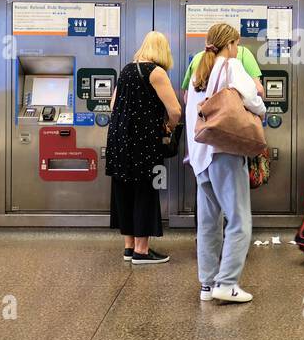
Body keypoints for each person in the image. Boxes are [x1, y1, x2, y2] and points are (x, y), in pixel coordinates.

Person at [185, 22, 266, 304]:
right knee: (239, 219)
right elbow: (256, 101)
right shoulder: (232, 67)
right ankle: (227, 283)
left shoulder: (199, 71)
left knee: (208, 222)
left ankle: (207, 285)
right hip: (225, 152)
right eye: (237, 44)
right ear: (231, 44)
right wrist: (258, 108)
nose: (238, 48)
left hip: (200, 156)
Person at [106, 31, 181, 265]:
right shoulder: (156, 72)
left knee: (124, 190)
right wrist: (168, 127)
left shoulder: (127, 69)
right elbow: (175, 110)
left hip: (119, 138)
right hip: (143, 140)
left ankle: (129, 247)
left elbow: (112, 103)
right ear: (163, 50)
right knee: (145, 191)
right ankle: (142, 251)